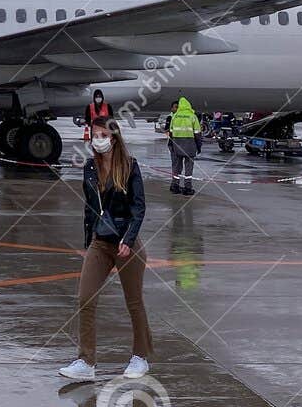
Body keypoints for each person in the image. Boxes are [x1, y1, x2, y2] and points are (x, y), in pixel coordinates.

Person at [59, 118, 152, 382]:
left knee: (134, 302)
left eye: (102, 134)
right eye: (93, 134)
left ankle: (140, 357)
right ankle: (86, 361)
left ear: (114, 138)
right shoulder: (89, 167)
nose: (96, 139)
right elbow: (89, 209)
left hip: (126, 242)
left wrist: (129, 239)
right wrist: (88, 243)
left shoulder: (130, 166)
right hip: (100, 242)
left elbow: (138, 207)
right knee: (85, 298)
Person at [166, 95, 202, 195]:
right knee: (188, 167)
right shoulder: (192, 116)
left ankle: (175, 186)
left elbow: (171, 132)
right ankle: (187, 187)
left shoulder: (175, 116)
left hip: (177, 144)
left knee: (176, 166)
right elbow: (197, 133)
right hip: (190, 145)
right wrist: (199, 146)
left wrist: (172, 145)